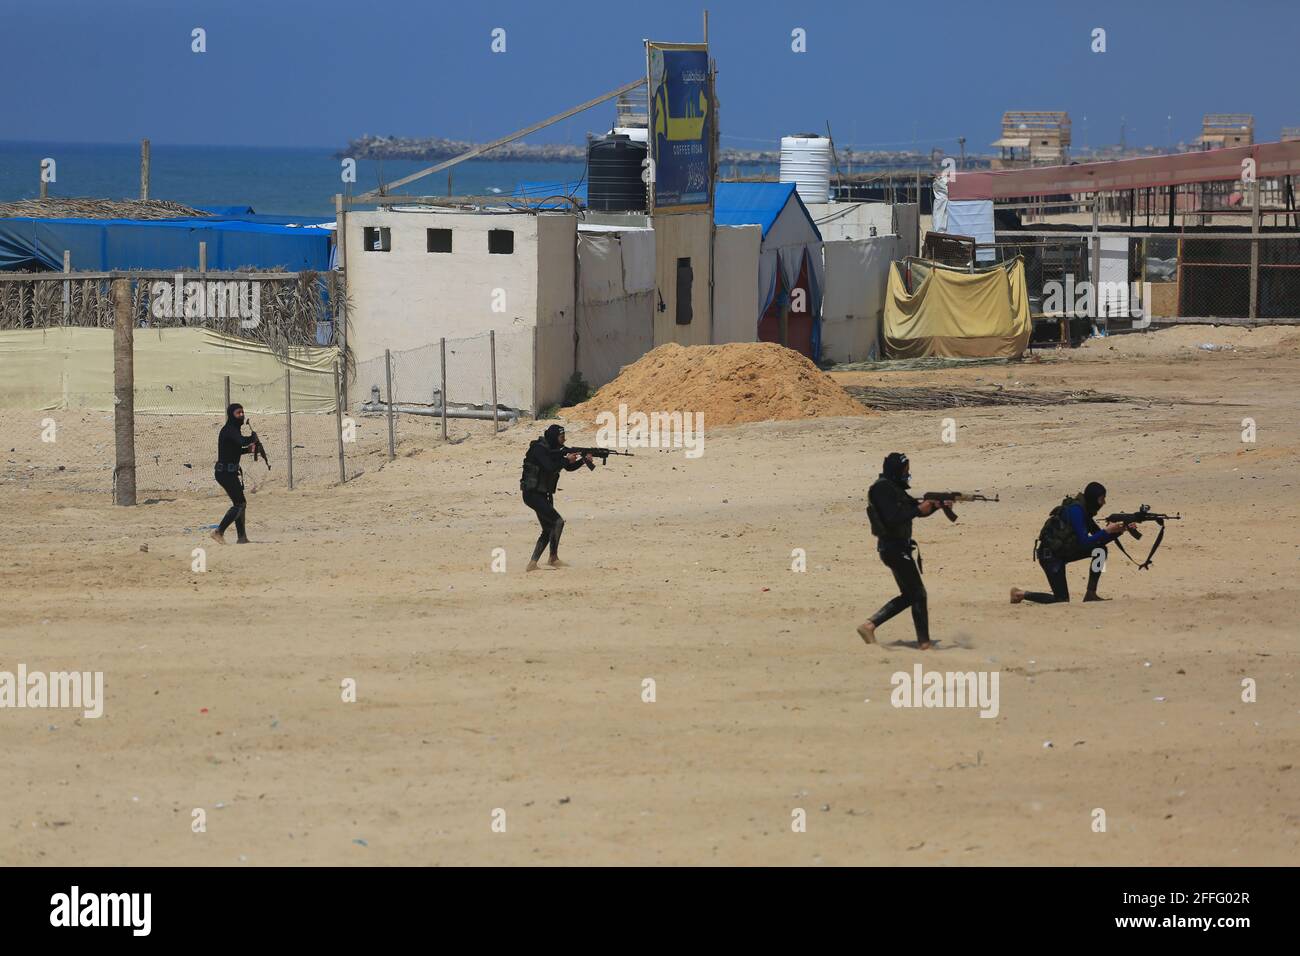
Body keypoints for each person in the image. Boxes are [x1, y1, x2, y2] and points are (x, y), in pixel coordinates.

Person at [857, 453, 952, 650]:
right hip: (893, 548)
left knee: (910, 594)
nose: (906, 474)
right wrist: (919, 510)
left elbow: (915, 509)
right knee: (918, 593)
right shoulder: (881, 488)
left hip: (898, 547)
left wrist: (936, 506)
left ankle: (869, 625)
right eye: (905, 470)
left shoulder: (893, 487)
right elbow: (893, 517)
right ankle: (924, 643)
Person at [1011, 481, 1136, 604]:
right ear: (1093, 499)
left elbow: (1098, 539)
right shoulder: (1076, 511)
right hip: (1050, 557)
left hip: (1064, 551)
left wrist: (1120, 530)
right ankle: (1021, 594)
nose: (1103, 503)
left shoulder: (1085, 511)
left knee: (1100, 550)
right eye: (1101, 499)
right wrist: (1108, 530)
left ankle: (1091, 593)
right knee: (1061, 599)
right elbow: (1085, 542)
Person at [520, 424, 590, 571]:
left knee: (548, 527)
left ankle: (535, 563)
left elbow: (567, 467)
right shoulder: (539, 449)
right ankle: (552, 558)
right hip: (532, 494)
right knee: (557, 522)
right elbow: (550, 467)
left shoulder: (554, 450)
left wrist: (583, 460)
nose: (564, 440)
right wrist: (566, 459)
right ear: (553, 437)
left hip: (542, 493)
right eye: (561, 437)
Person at [211, 403, 258, 545]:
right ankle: (218, 532)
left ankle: (242, 538)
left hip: (230, 472)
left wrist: (248, 450)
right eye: (239, 413)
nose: (242, 415)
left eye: (243, 412)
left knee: (240, 503)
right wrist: (252, 438)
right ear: (231, 415)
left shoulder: (233, 431)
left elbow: (235, 449)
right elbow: (242, 441)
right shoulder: (229, 429)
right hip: (224, 473)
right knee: (240, 503)